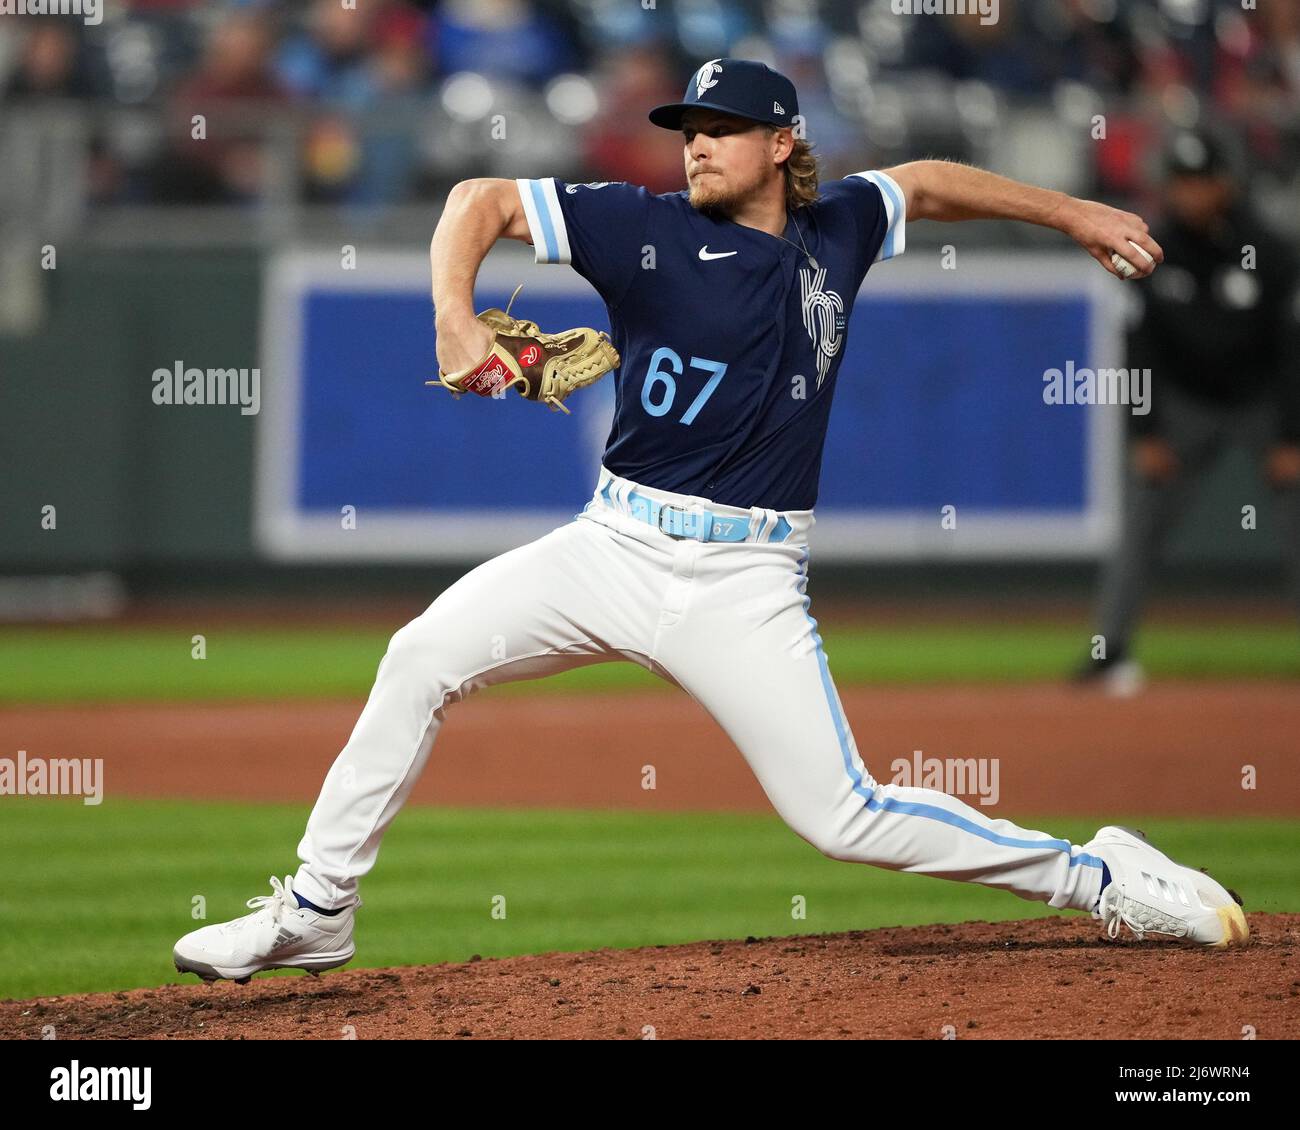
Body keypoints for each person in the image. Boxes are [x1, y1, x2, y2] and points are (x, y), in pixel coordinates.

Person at [174, 60, 1247, 984]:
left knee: (842, 817)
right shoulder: (639, 229)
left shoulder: (840, 230)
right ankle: (318, 908)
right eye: (688, 129)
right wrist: (455, 314)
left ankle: (1100, 873)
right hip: (610, 546)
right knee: (418, 656)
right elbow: (479, 196)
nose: (696, 146)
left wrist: (1073, 213)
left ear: (782, 142)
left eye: (722, 130)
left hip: (744, 581)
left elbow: (926, 180)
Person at [1078, 129, 1300, 694]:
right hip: (1184, 406)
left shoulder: (1268, 249)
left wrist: (1290, 436)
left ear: (1225, 184)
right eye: (1181, 183)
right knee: (1144, 522)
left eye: (1201, 182)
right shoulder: (1154, 249)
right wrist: (1145, 431)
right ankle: (1111, 651)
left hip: (1260, 404)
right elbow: (1140, 349)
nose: (1191, 194)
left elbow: (1289, 349)